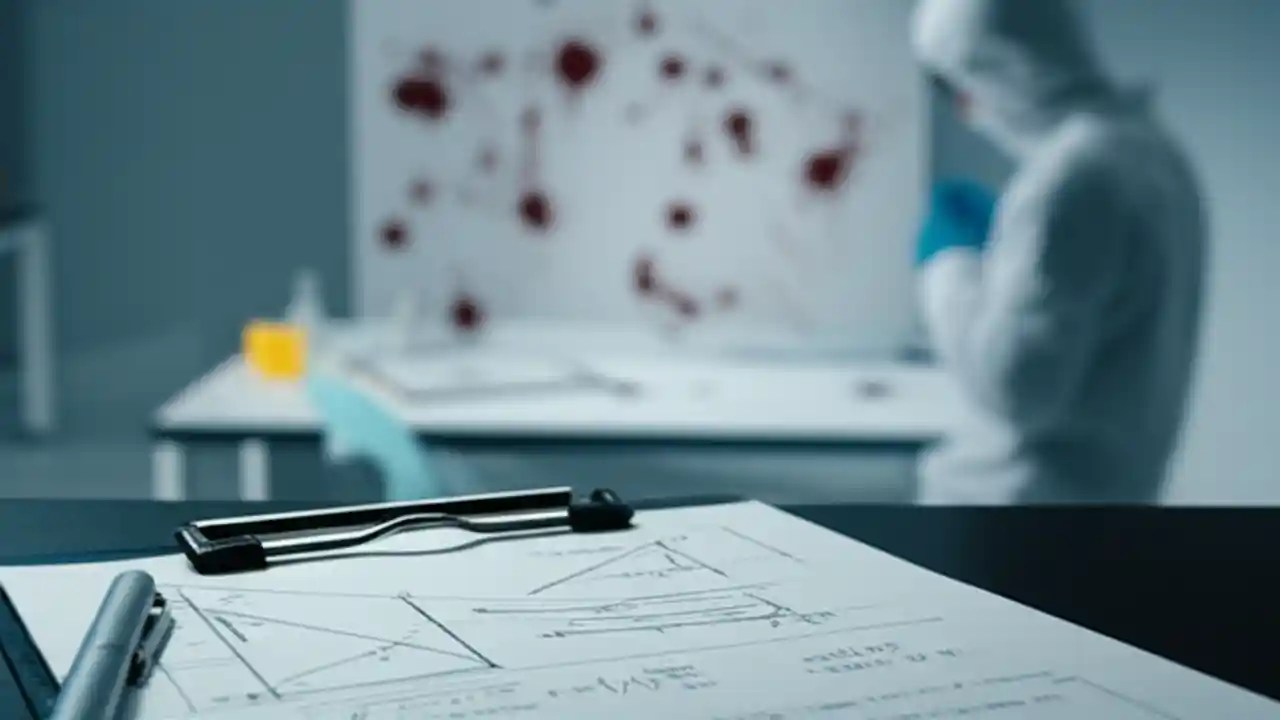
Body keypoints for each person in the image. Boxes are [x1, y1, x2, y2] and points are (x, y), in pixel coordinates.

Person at [911, 0, 1206, 503]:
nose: (968, 112)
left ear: (993, 67)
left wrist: (950, 265)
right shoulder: (1149, 150)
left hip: (1021, 518)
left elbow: (1016, 390)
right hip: (1100, 501)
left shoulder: (1075, 176)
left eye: (957, 86)